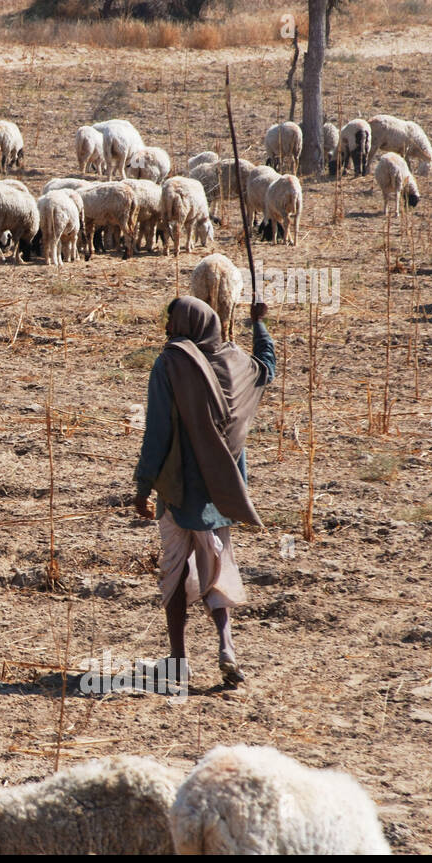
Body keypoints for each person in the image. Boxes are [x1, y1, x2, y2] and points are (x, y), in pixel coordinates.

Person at [133, 296, 275, 691]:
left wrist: (143, 486)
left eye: (170, 321)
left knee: (176, 570)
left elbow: (157, 434)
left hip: (178, 490)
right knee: (217, 562)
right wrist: (259, 325)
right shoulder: (236, 361)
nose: (166, 329)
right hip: (220, 492)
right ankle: (226, 647)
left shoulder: (170, 364)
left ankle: (178, 661)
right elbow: (268, 368)